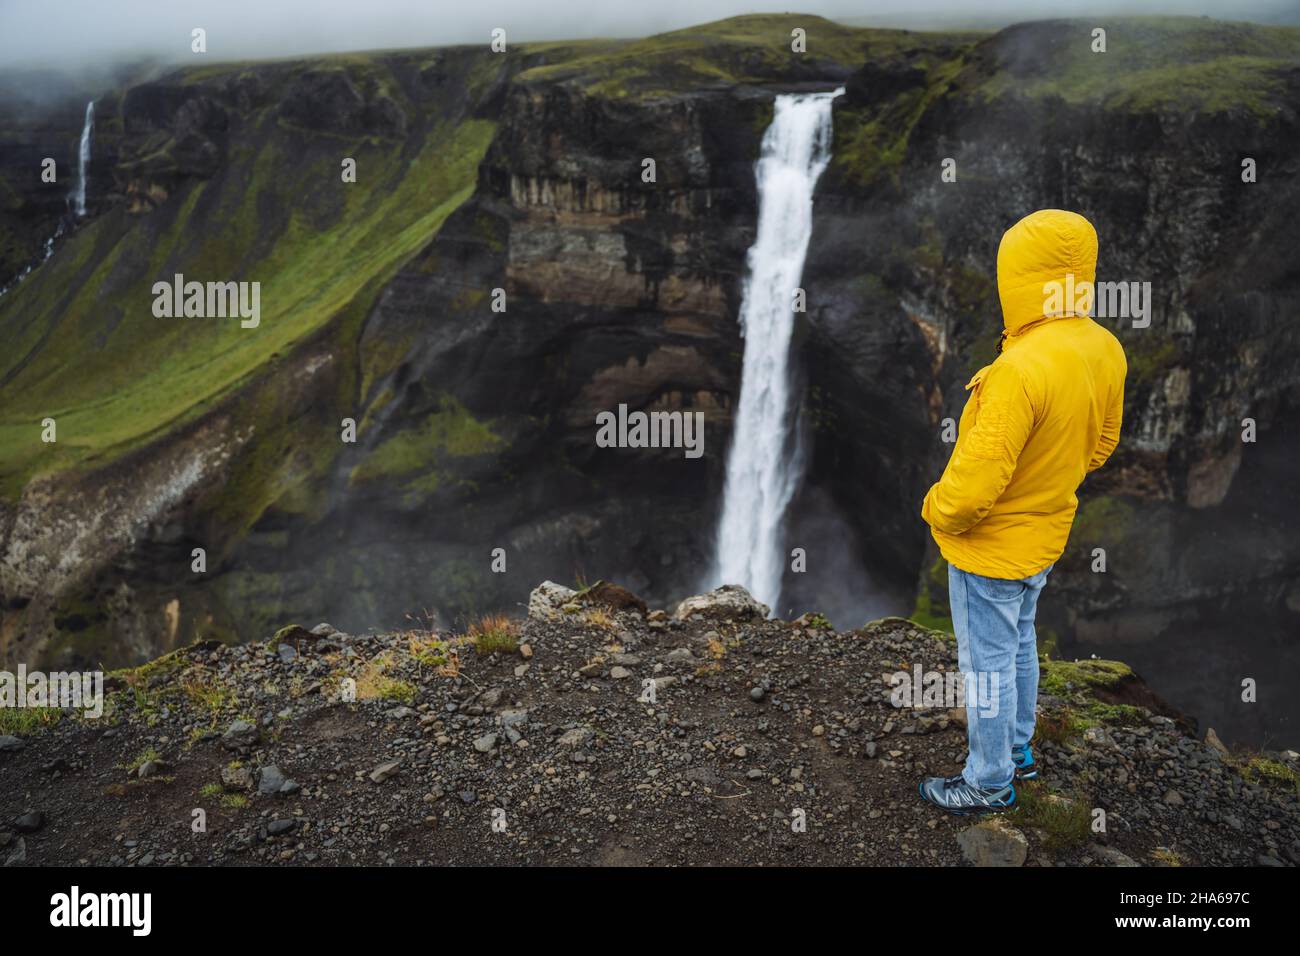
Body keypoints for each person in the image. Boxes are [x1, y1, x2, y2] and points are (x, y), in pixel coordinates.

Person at [917, 208, 1127, 813]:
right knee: (1020, 645)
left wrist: (936, 509)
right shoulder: (1104, 348)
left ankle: (987, 782)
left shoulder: (1017, 369)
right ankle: (1017, 751)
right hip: (1045, 532)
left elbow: (973, 486)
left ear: (1017, 275)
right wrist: (1048, 476)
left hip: (991, 546)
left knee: (986, 664)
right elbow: (1102, 443)